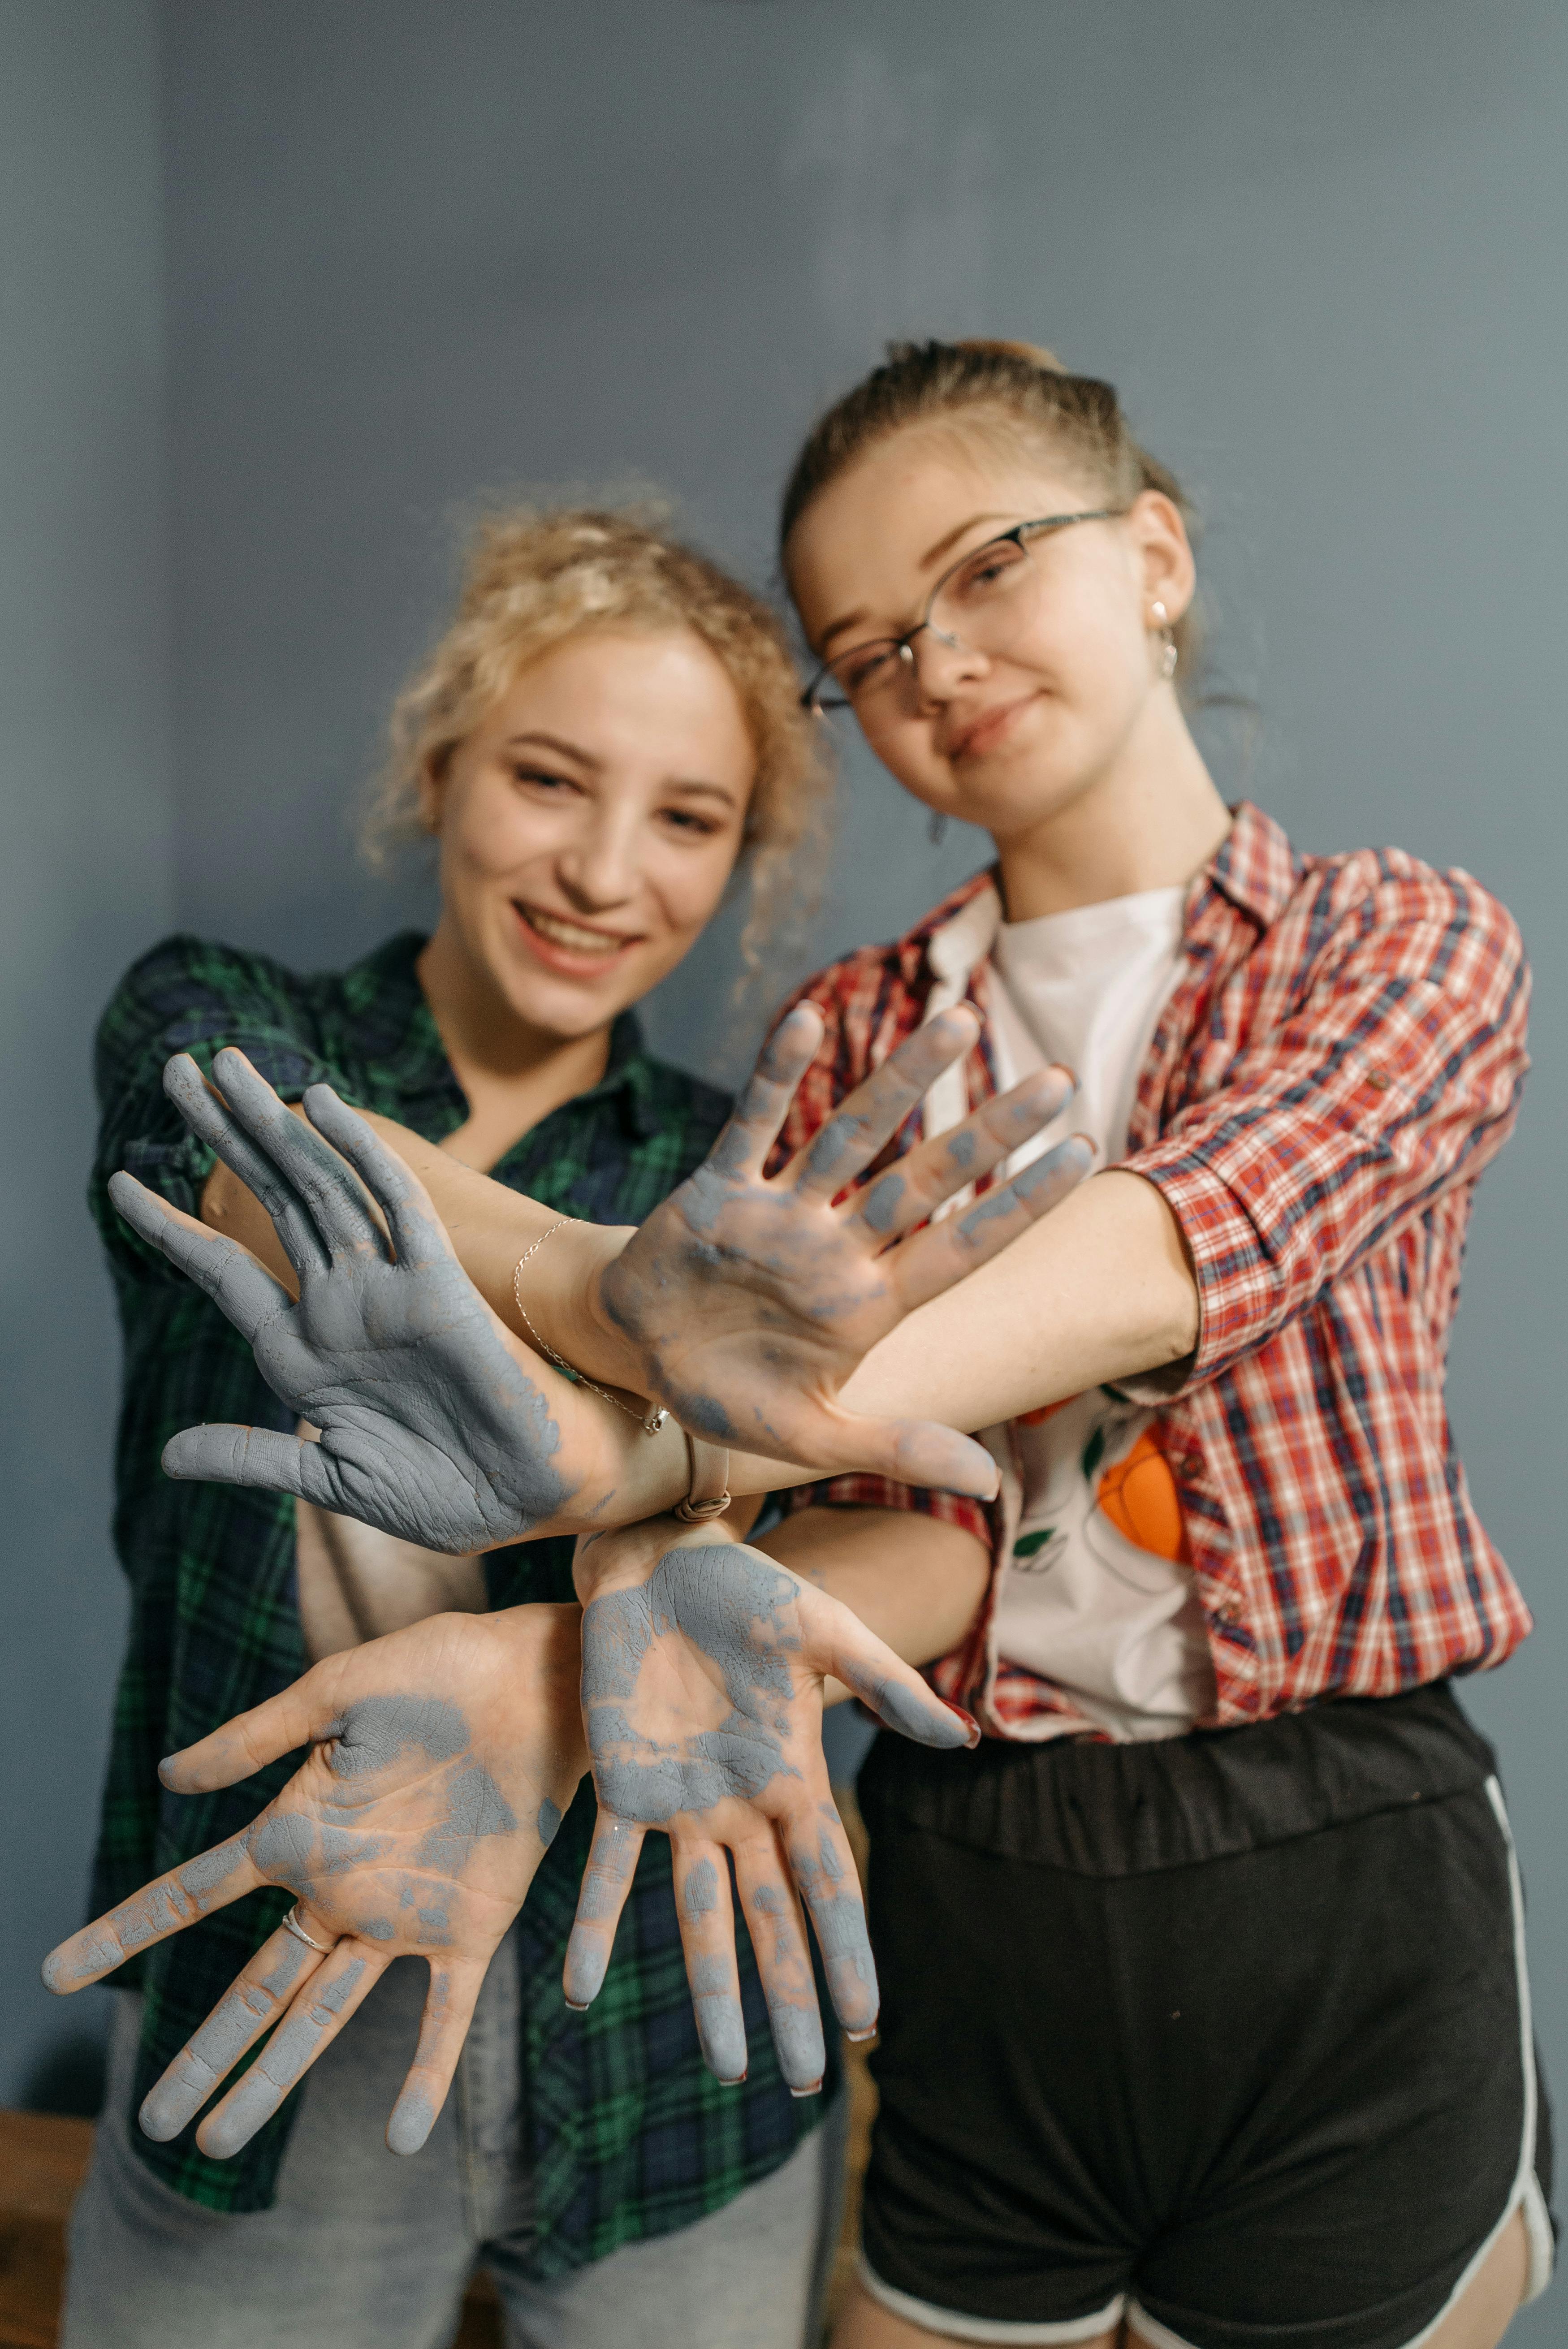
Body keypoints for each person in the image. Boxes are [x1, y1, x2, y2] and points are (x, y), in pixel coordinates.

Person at [56, 334, 1547, 2348]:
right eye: (871, 640)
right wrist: (624, 1460)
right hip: (840, 1889)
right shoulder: (824, 1055)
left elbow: (1182, 1251)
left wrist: (626, 1508)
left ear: (1155, 556)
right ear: (439, 771)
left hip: (1253, 1887)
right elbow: (895, 1507)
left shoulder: (1389, 939)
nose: (932, 660)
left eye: (989, 565)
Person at [56, 505, 1069, 2349]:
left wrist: (617, 1623)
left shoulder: (734, 1179)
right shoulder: (219, 1017)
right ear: (438, 767)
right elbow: (274, 1170)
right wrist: (607, 1298)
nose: (605, 871)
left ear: (738, 861)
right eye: (547, 777)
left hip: (668, 2040)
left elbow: (926, 1524)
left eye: (687, 819)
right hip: (277, 1986)